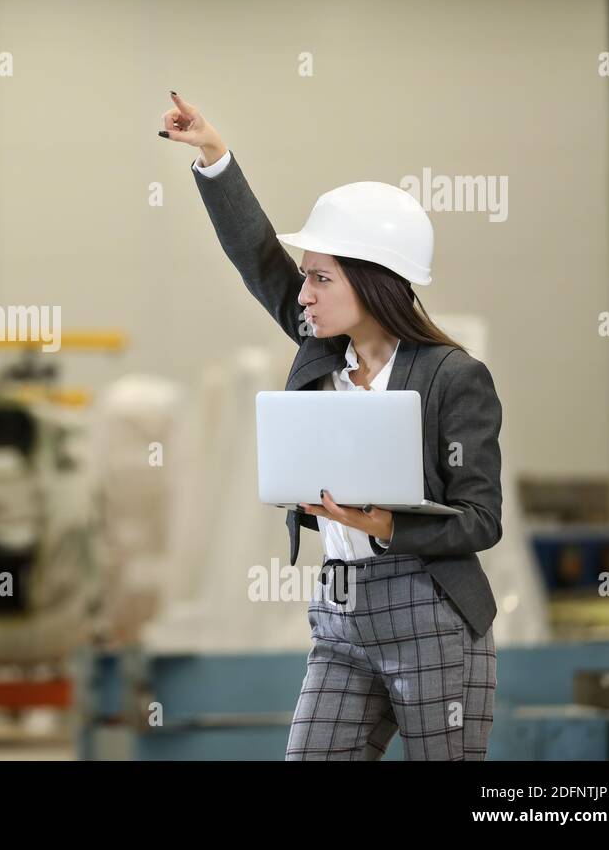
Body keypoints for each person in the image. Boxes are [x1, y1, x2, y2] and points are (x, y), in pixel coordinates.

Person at [160, 92, 501, 760]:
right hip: (341, 616)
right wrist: (212, 154)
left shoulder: (453, 378)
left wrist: (385, 524)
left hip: (432, 614)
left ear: (374, 285)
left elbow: (481, 520)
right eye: (306, 278)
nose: (304, 294)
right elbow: (258, 258)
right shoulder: (321, 350)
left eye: (320, 278)